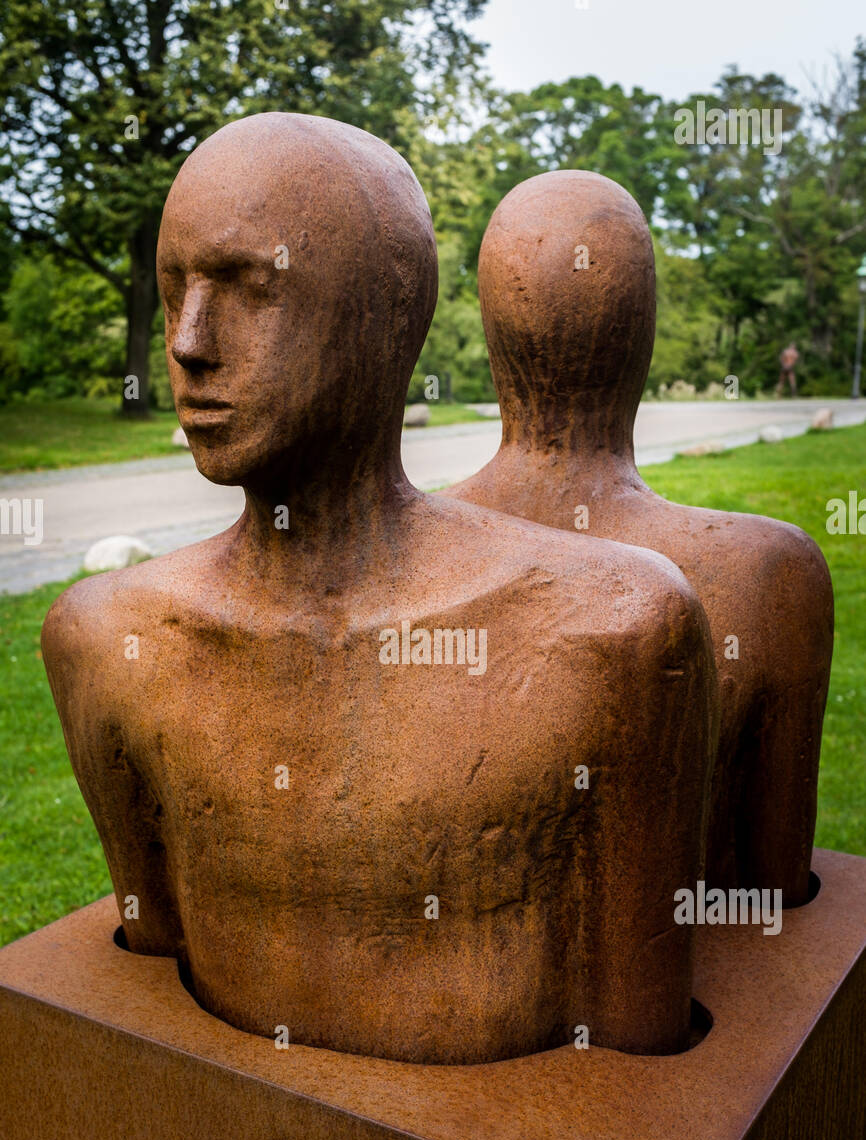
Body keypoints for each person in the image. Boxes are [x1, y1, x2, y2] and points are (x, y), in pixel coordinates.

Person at [41, 117, 716, 1063]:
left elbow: (639, 1068)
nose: (189, 343)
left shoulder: (611, 638)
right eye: (173, 290)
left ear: (392, 313)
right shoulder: (107, 644)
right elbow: (152, 995)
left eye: (249, 291)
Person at [448, 171, 833, 907]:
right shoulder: (769, 575)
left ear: (489, 326)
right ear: (642, 328)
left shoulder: (400, 561)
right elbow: (773, 887)